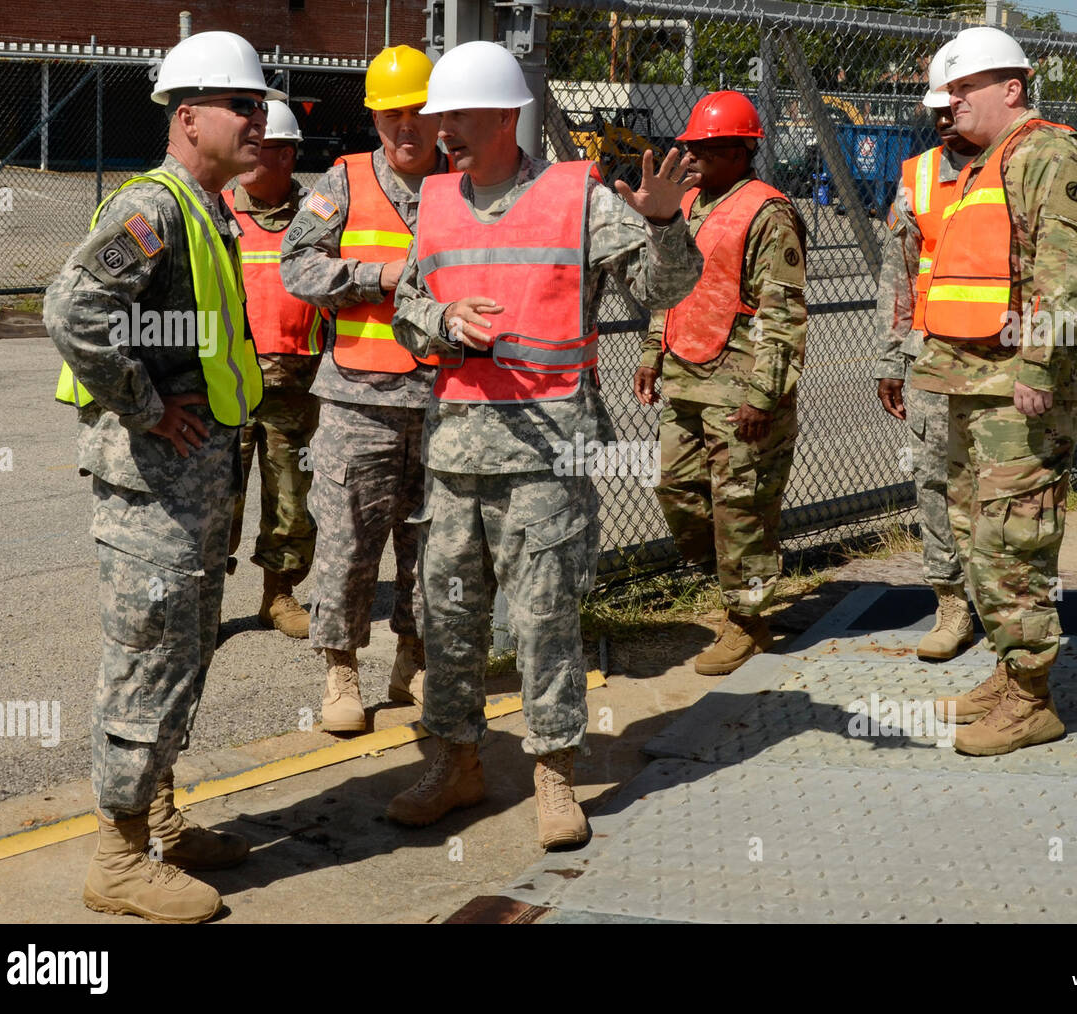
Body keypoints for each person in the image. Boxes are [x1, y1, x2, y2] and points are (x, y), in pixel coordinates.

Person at [385, 40, 703, 849]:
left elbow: (661, 291)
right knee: (449, 617)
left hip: (548, 452)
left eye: (455, 116)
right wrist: (442, 321)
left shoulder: (578, 195)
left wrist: (662, 223)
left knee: (544, 618)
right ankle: (455, 762)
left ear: (503, 115)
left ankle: (554, 777)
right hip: (456, 450)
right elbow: (407, 309)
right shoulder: (436, 201)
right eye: (437, 116)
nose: (441, 130)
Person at [47, 30, 277, 922]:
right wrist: (144, 405)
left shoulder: (207, 207)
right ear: (189, 118)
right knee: (147, 659)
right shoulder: (154, 209)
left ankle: (161, 822)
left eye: (258, 105)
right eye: (243, 106)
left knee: (180, 653)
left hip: (192, 484)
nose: (260, 119)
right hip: (153, 485)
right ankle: (118, 854)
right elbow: (75, 308)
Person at [913, 26, 1077, 755]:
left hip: (1020, 388)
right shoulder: (992, 160)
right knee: (977, 532)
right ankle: (1008, 670)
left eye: (963, 89)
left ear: (1011, 89)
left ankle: (1032, 700)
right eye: (949, 91)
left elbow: (1064, 271)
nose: (950, 102)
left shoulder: (1047, 152)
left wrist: (1034, 367)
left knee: (1012, 536)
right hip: (972, 381)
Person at [280, 45, 448, 732]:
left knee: (435, 545)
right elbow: (296, 265)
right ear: (374, 118)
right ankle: (340, 670)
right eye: (390, 115)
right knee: (348, 543)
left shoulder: (464, 186)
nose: (404, 128)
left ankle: (414, 659)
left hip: (444, 400)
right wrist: (374, 277)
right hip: (359, 399)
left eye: (416, 113)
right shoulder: (345, 180)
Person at [633, 91, 807, 676]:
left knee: (741, 506)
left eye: (707, 148)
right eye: (691, 146)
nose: (693, 156)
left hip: (739, 385)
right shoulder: (685, 204)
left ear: (741, 151)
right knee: (678, 491)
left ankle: (746, 620)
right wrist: (651, 351)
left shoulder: (768, 212)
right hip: (684, 372)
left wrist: (765, 395)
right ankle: (737, 586)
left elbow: (783, 313)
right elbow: (668, 286)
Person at [874, 43, 983, 662]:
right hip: (930, 358)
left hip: (1004, 358)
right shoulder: (916, 175)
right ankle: (949, 602)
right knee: (934, 480)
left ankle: (1003, 601)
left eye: (954, 106)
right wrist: (891, 357)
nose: (945, 118)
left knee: (998, 485)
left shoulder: (1020, 167)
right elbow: (896, 274)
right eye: (936, 109)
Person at [226, 100, 322, 639]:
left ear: (286, 155)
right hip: (227, 385)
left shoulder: (317, 215)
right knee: (219, 497)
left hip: (295, 386)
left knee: (290, 499)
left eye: (259, 150)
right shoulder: (217, 211)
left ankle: (278, 597)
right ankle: (203, 602)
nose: (246, 159)